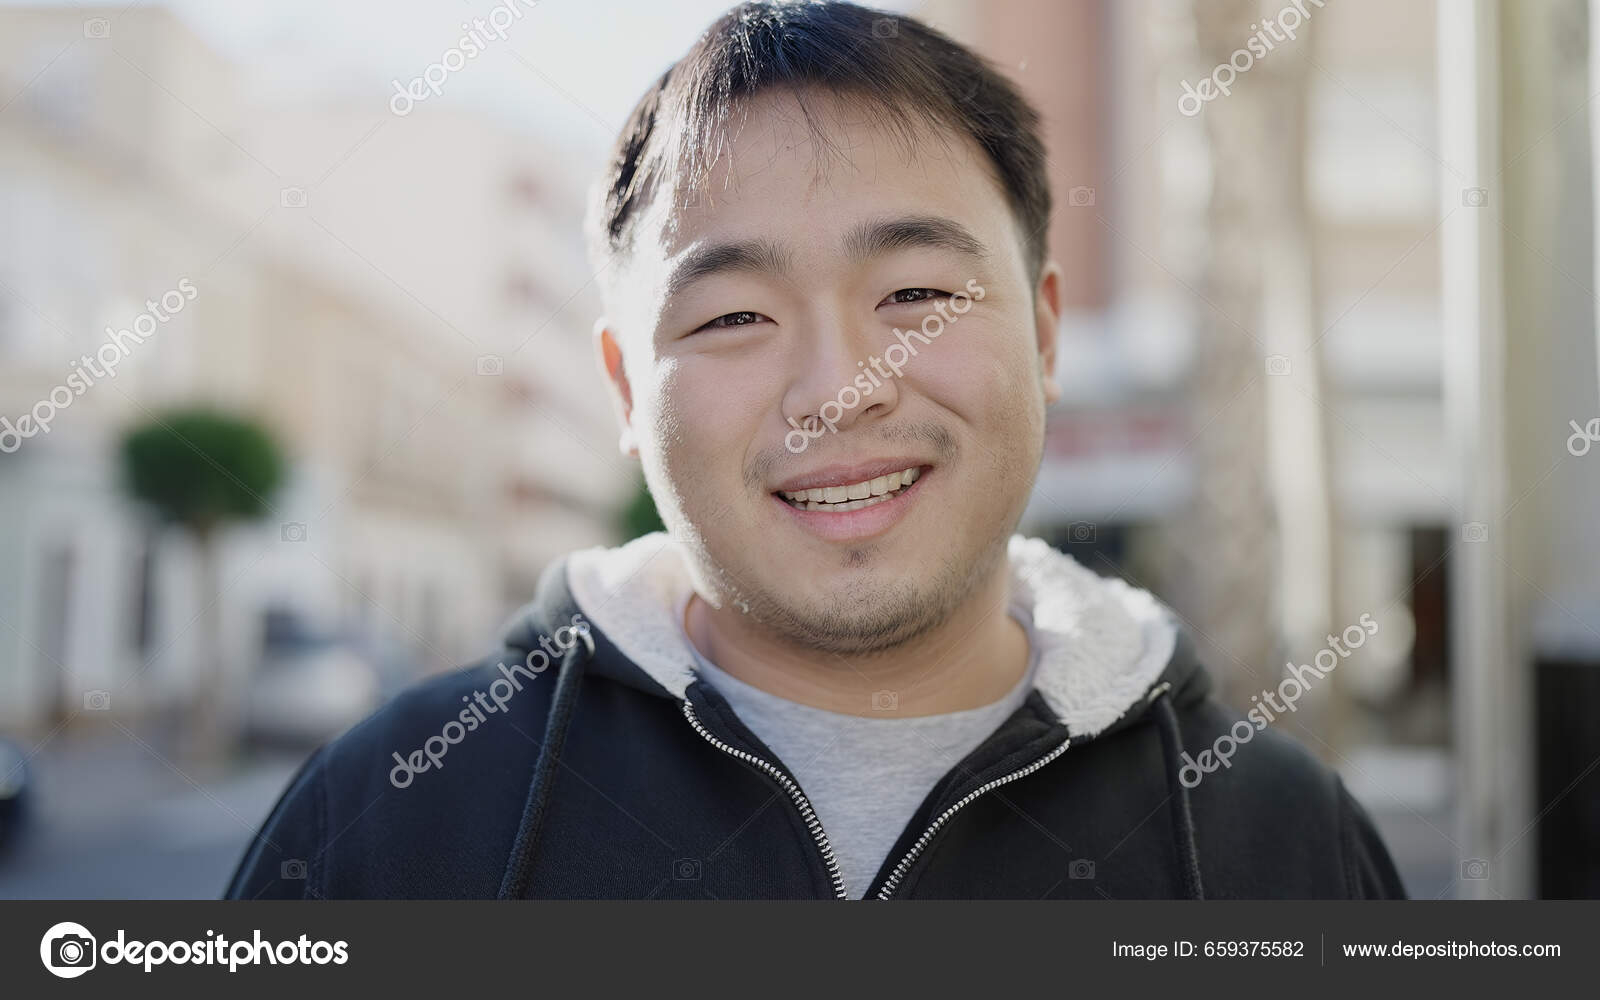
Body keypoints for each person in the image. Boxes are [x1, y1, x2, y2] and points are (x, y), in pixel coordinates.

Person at [228, 0, 1404, 900]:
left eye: (916, 291)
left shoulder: (1277, 842)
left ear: (1044, 334)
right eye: (735, 316)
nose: (841, 390)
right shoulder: (391, 823)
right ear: (625, 388)